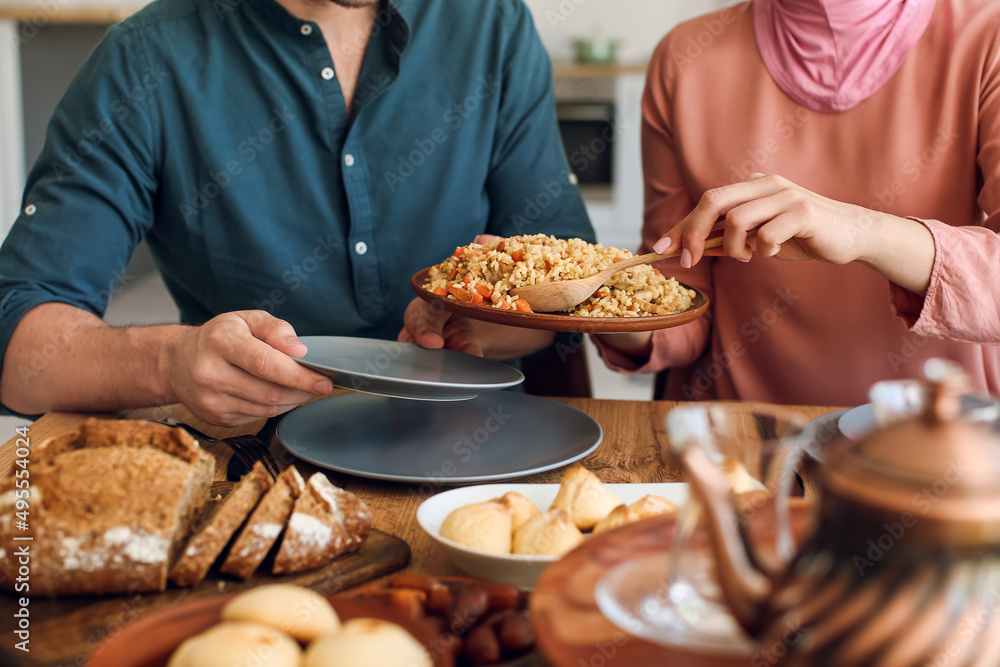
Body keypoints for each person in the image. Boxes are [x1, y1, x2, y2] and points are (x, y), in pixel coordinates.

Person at [0, 0, 595, 425]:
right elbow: (20, 349)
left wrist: (488, 317)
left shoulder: (494, 25)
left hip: (479, 446)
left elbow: (577, 281)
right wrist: (172, 362)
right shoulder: (147, 57)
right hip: (252, 460)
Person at [593, 0, 1000, 407]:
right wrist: (601, 305)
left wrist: (863, 231)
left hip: (936, 449)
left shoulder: (987, 36)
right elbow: (681, 298)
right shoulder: (684, 55)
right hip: (735, 445)